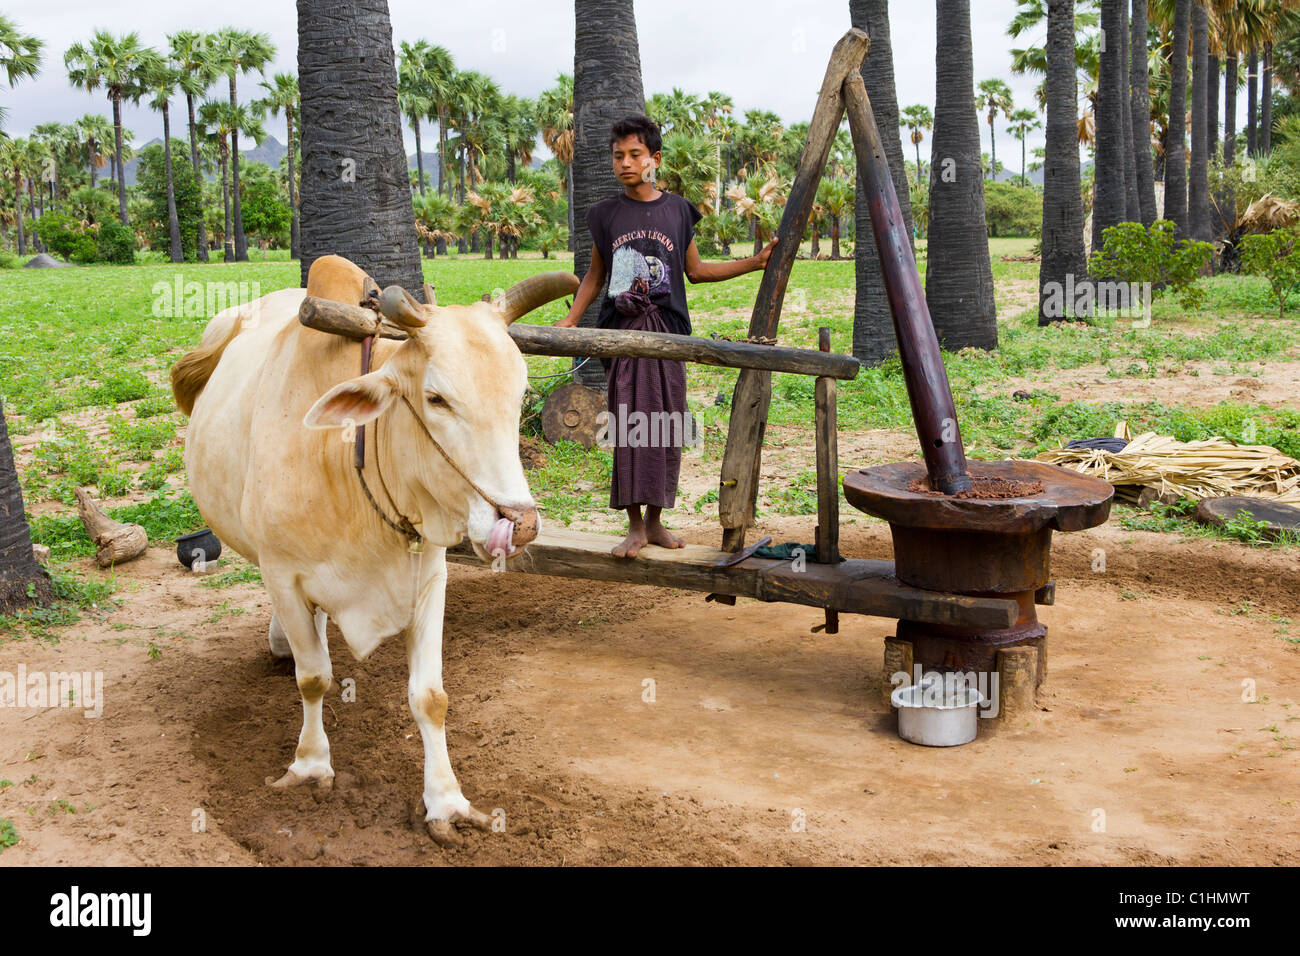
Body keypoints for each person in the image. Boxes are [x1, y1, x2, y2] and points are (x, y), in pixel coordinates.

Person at [556, 114, 777, 558]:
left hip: (668, 334)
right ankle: (634, 526)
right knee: (627, 426)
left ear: (654, 159)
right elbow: (595, 276)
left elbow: (696, 271)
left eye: (635, 154)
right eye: (618, 156)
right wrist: (571, 321)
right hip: (622, 337)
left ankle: (656, 521)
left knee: (665, 426)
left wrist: (753, 263)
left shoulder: (677, 210)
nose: (625, 163)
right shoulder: (605, 214)